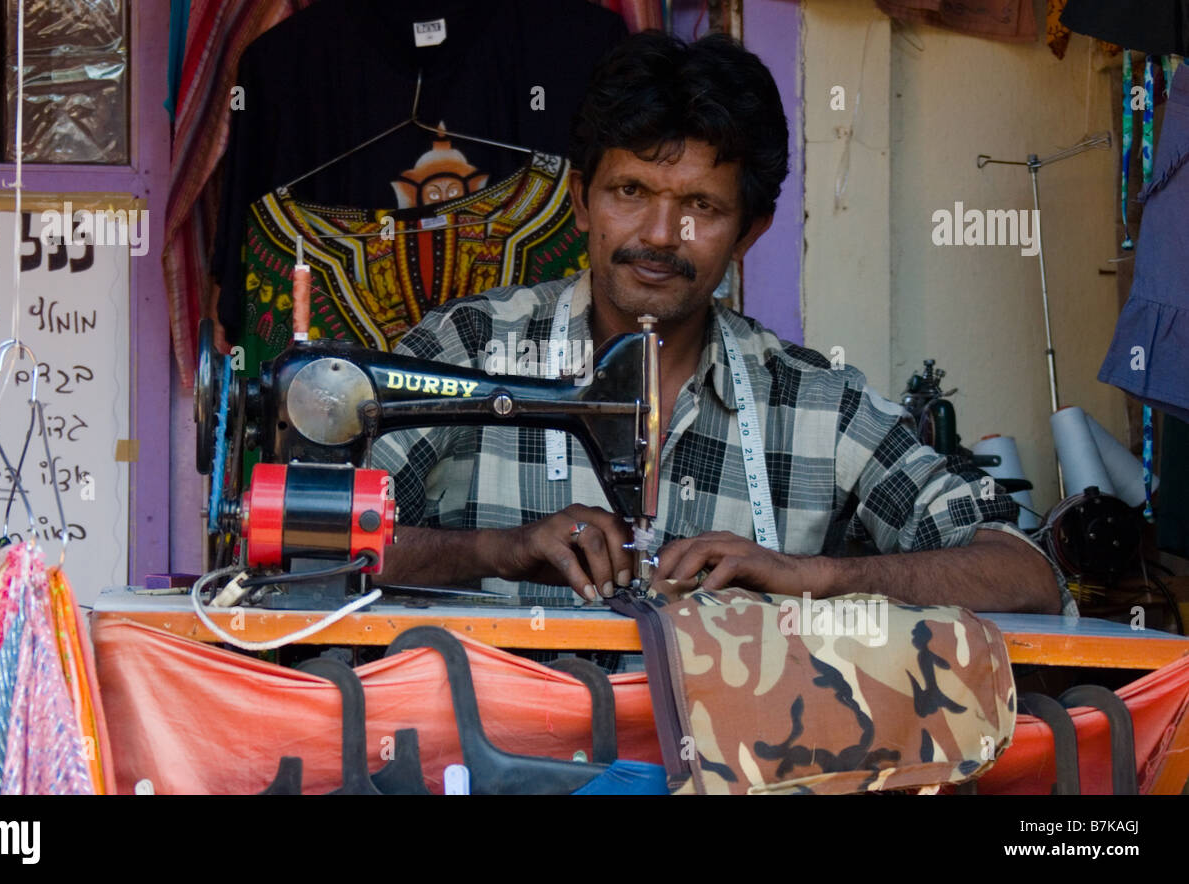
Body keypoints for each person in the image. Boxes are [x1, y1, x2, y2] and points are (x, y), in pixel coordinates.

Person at [370, 31, 1073, 616]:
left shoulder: (817, 406)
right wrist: (497, 550)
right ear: (581, 201)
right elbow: (319, 536)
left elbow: (1026, 574)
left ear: (749, 232)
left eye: (700, 206)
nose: (660, 234)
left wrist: (811, 577)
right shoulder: (470, 350)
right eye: (630, 191)